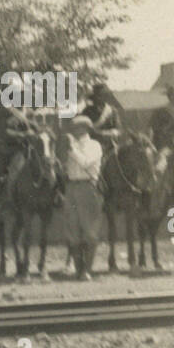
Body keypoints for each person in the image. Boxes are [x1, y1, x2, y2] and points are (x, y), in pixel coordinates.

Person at [60, 115, 104, 281]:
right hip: (72, 187)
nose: (75, 131)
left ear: (86, 129)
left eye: (78, 128)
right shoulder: (72, 146)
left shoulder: (94, 145)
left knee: (89, 230)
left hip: (88, 187)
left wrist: (71, 150)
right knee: (73, 230)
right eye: (74, 129)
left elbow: (86, 163)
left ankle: (87, 270)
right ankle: (79, 269)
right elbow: (66, 166)